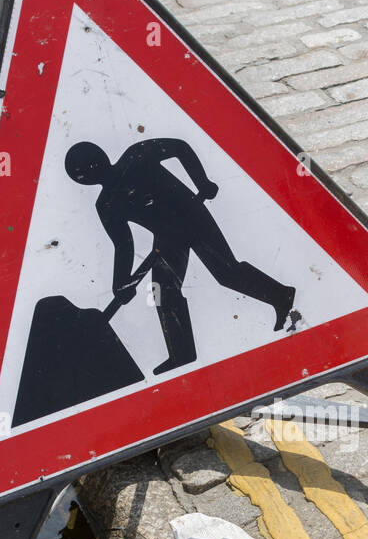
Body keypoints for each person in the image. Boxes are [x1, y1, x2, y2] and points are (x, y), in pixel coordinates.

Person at [64, 138, 297, 374]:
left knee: (227, 272)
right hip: (166, 239)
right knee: (164, 292)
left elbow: (180, 147)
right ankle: (182, 354)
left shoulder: (135, 157)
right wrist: (120, 283)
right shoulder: (107, 204)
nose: (95, 172)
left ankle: (281, 295)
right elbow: (123, 244)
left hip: (192, 216)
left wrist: (202, 182)